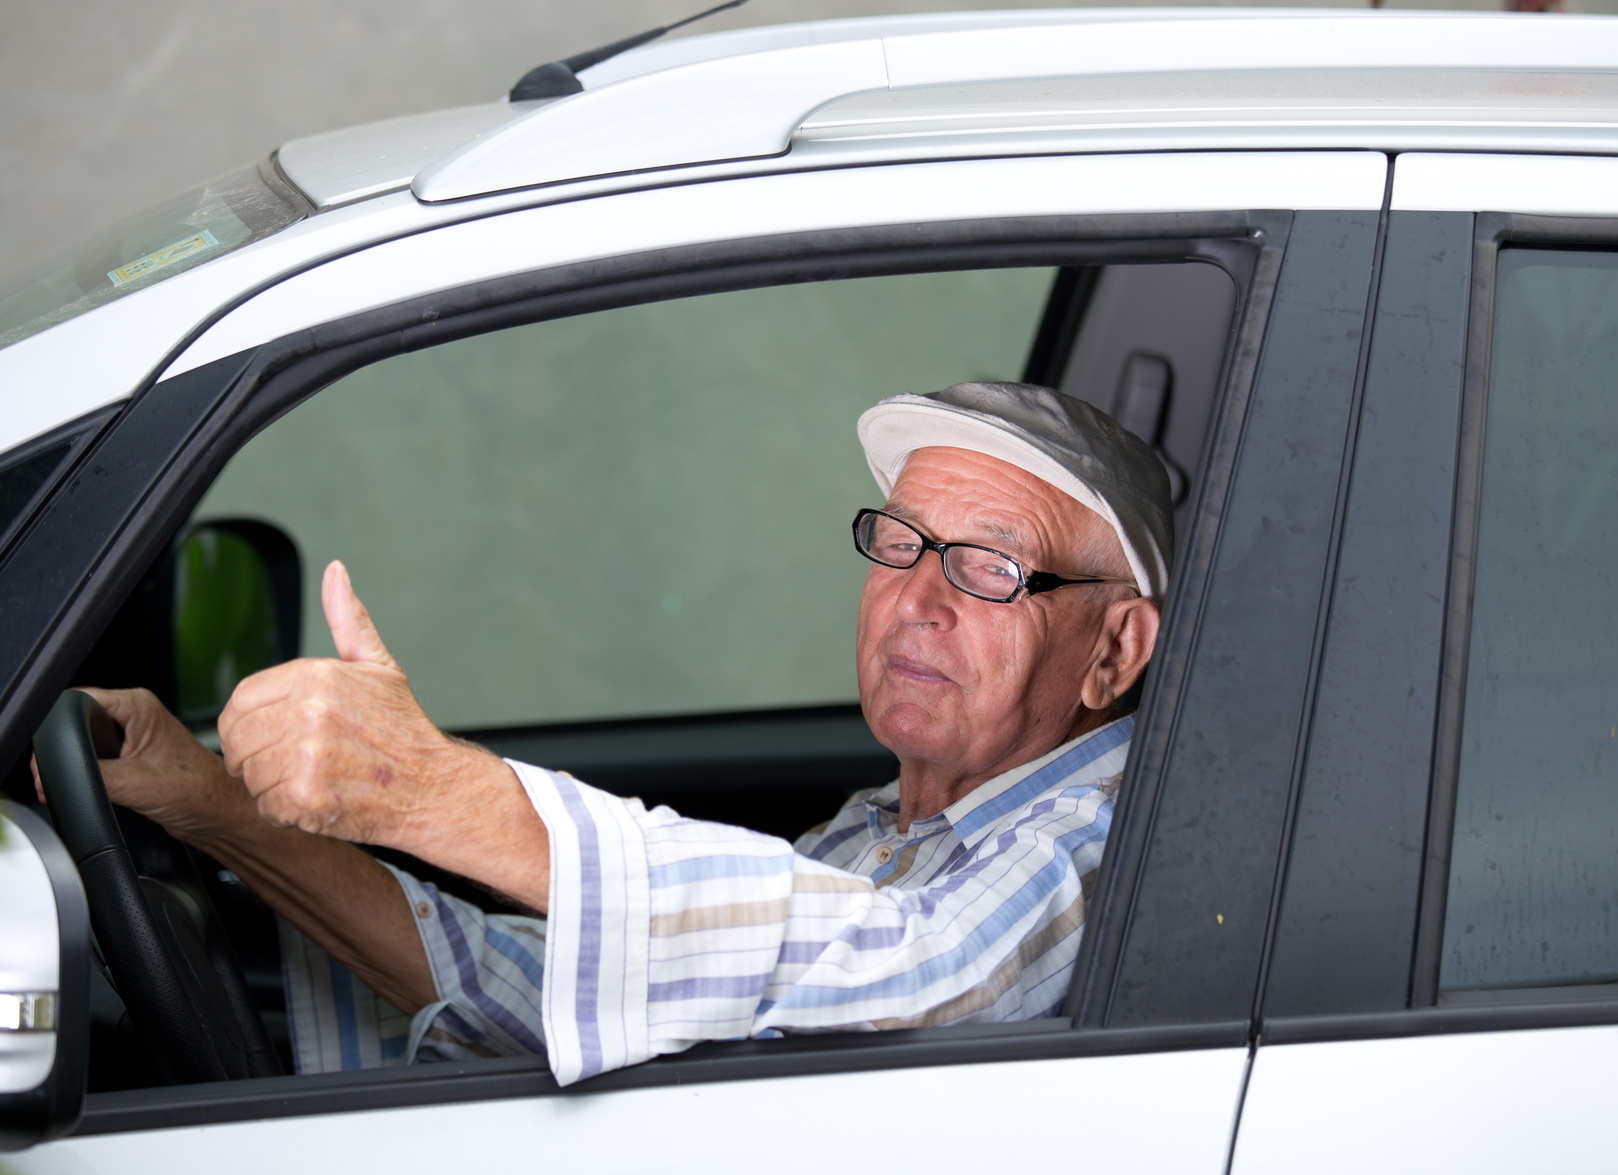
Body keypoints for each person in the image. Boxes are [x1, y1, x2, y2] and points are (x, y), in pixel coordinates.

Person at [64, 381, 1171, 1084]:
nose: (916, 599)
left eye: (988, 566)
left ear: (1115, 651)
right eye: (901, 542)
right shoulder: (886, 826)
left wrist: (429, 789)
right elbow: (532, 982)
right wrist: (210, 804)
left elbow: (913, 969)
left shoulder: (1105, 840)